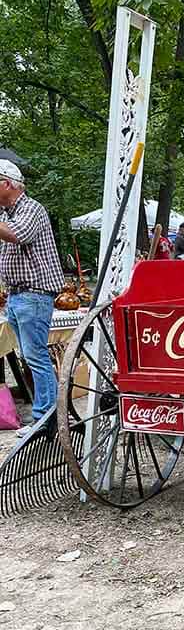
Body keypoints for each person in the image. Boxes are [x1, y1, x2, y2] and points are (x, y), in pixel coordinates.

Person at [0, 160, 63, 437]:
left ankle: (45, 420)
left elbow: (17, 235)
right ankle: (48, 417)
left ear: (7, 183)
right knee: (31, 357)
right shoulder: (8, 212)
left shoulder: (31, 209)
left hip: (34, 295)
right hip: (17, 296)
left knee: (35, 358)